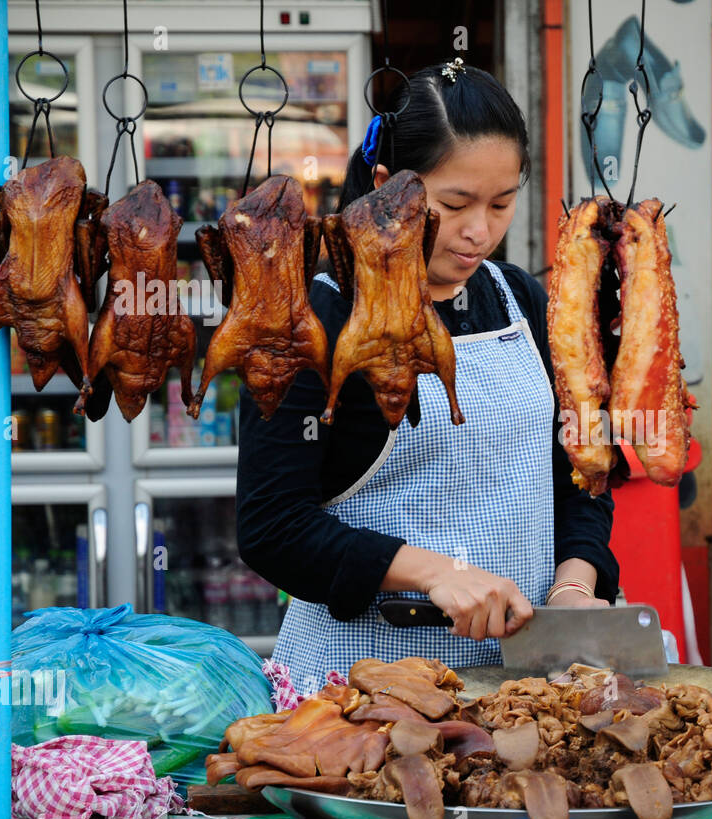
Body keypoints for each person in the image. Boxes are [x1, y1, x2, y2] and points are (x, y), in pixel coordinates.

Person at [236, 61, 618, 693]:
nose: (479, 232)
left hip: (521, 684)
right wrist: (433, 573)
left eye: (501, 204)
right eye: (454, 204)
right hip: (359, 687)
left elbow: (581, 477)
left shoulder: (521, 300)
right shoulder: (313, 319)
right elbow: (273, 526)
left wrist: (576, 584)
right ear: (390, 188)